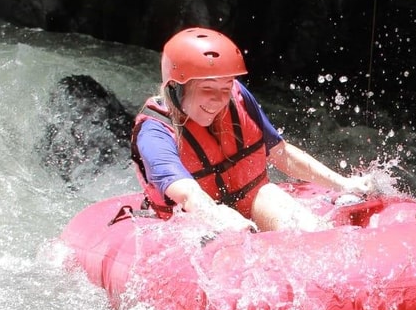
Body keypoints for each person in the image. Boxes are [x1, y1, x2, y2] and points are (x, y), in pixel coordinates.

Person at [130, 27, 373, 232]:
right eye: (207, 89)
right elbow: (188, 195)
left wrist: (343, 184)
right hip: (192, 220)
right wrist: (221, 218)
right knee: (226, 235)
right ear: (176, 88)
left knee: (304, 228)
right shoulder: (154, 132)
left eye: (225, 88)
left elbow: (281, 153)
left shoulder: (238, 97)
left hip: (251, 197)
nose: (218, 100)